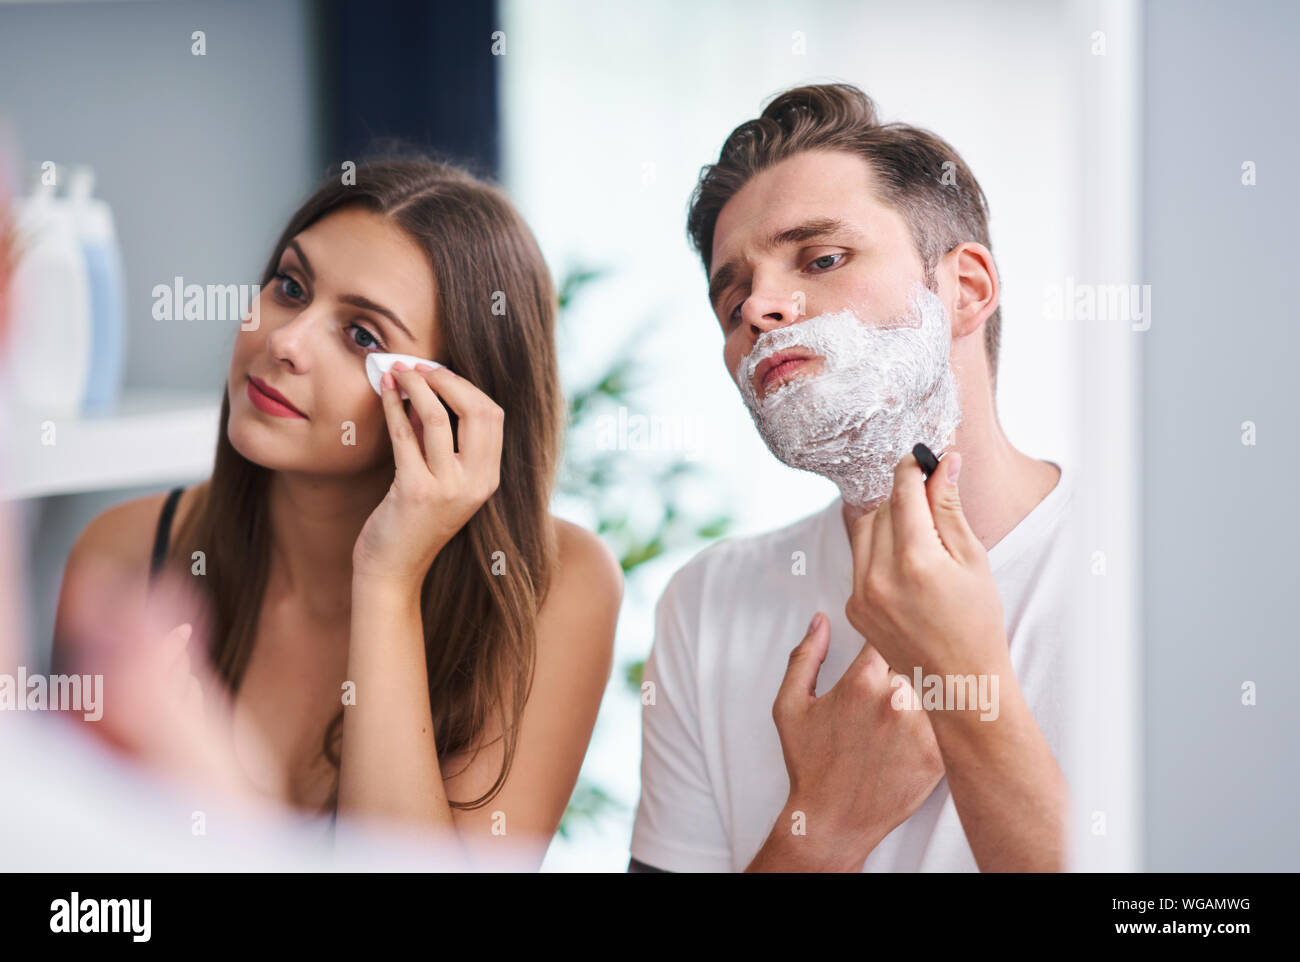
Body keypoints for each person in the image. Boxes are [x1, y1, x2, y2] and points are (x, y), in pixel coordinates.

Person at [51, 157, 623, 868]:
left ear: (449, 399)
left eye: (362, 337)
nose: (284, 342)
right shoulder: (125, 552)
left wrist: (387, 579)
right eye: (291, 287)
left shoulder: (557, 583)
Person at [629, 84, 1076, 872]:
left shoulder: (1158, 576)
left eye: (822, 258)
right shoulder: (708, 606)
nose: (761, 306)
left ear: (965, 290)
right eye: (732, 299)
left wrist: (967, 690)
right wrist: (825, 823)